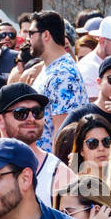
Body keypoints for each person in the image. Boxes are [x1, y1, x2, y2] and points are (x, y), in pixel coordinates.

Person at [0, 83, 72, 208]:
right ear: (0, 121)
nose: (31, 118)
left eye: (37, 112)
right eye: (21, 113)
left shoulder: (58, 171)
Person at [28, 10, 87, 152]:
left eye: (31, 33)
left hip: (52, 165)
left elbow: (62, 135)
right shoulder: (51, 68)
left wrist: (53, 171)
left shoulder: (63, 74)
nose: (27, 39)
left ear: (46, 35)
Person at [69, 112, 111, 181]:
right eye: (92, 143)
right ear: (81, 150)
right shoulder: (73, 186)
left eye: (107, 141)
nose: (101, 148)